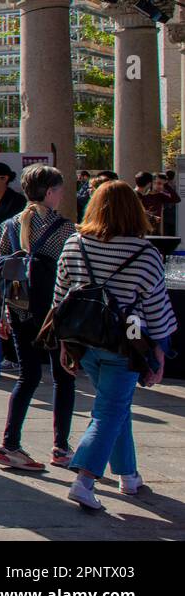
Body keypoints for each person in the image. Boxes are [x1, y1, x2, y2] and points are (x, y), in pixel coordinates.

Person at [54, 179, 179, 511]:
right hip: (127, 339)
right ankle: (83, 478)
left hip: (84, 338)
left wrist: (65, 344)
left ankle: (128, 474)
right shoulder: (145, 253)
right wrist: (159, 351)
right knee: (110, 410)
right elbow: (156, 309)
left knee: (114, 406)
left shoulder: (74, 244)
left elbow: (61, 299)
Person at [0, 164, 77, 471]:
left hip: (18, 310)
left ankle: (9, 444)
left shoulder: (9, 225)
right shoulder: (64, 228)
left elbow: (0, 274)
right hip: (53, 313)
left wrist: (1, 314)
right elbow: (71, 275)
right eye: (60, 190)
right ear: (50, 192)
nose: (62, 196)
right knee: (63, 377)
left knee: (28, 377)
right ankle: (61, 447)